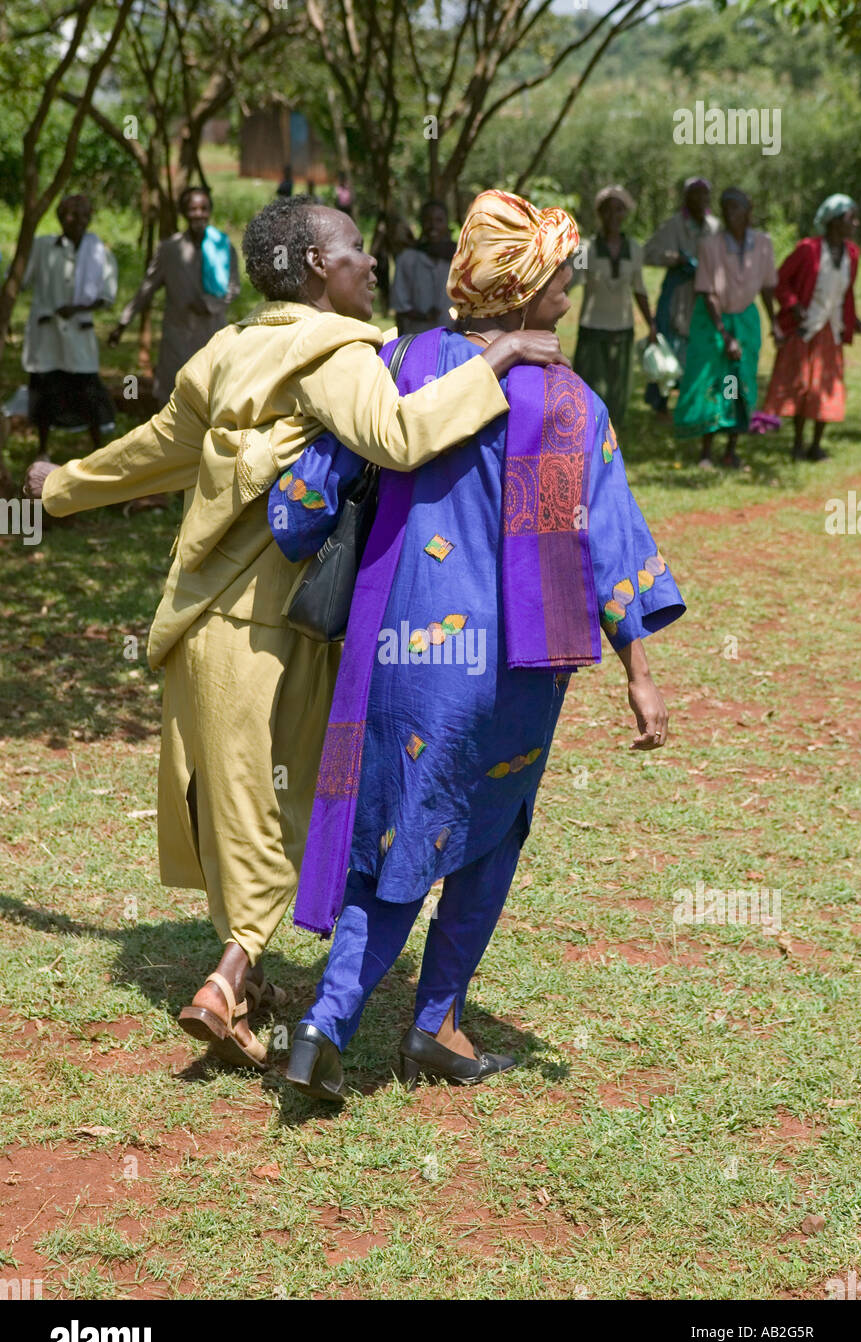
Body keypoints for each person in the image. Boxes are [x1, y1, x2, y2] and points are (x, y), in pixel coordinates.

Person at [24, 195, 565, 1071]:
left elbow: (155, 448)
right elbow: (399, 436)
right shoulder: (335, 354)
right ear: (319, 267)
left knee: (237, 805)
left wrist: (58, 485)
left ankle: (245, 983)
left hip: (199, 622)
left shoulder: (230, 350)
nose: (369, 262)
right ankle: (231, 977)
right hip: (277, 631)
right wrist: (498, 354)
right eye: (353, 249)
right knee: (293, 804)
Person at [279, 189, 685, 1102]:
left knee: (395, 841)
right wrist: (642, 676)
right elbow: (606, 546)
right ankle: (430, 1027)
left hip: (399, 651)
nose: (570, 296)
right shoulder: (566, 402)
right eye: (559, 279)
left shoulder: (400, 360)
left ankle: (322, 1029)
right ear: (520, 288)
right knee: (488, 836)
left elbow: (305, 500)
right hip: (513, 667)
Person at [674, 188, 778, 469]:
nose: (730, 213)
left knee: (739, 384)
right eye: (725, 208)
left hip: (746, 321)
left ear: (748, 210)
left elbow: (768, 287)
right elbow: (707, 291)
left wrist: (775, 322)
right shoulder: (710, 245)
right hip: (713, 321)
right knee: (713, 382)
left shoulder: (764, 244)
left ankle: (731, 449)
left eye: (736, 207)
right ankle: (706, 451)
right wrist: (724, 334)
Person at [108, 187, 240, 408]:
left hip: (213, 333)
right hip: (178, 338)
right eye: (193, 209)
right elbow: (146, 289)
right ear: (184, 213)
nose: (198, 214)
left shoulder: (223, 246)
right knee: (173, 399)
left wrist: (209, 304)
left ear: (209, 211)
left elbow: (233, 288)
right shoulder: (171, 249)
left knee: (214, 397)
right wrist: (123, 323)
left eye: (203, 208)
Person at [764, 195, 861, 460]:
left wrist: (854, 320)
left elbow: (846, 292)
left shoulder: (852, 253)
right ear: (834, 220)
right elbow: (779, 282)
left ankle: (815, 445)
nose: (856, 223)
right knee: (801, 384)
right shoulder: (808, 249)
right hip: (805, 327)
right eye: (851, 218)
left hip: (831, 329)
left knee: (826, 386)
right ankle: (797, 443)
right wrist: (793, 305)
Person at [22, 194, 117, 463]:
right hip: (47, 335)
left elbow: (106, 295)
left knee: (87, 390)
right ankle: (43, 448)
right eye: (70, 215)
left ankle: (97, 447)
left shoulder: (99, 253)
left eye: (84, 216)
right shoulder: (42, 247)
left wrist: (76, 308)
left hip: (79, 334)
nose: (77, 221)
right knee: (45, 391)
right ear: (61, 218)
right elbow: (19, 278)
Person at [572, 185, 656, 429]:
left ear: (625, 214)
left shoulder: (635, 249)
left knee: (619, 389)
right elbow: (569, 282)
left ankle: (612, 435)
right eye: (607, 210)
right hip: (593, 327)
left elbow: (639, 289)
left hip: (622, 328)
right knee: (590, 387)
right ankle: (588, 432)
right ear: (600, 214)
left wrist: (651, 323)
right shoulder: (584, 248)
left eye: (618, 210)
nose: (613, 216)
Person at [642, 177, 721, 414]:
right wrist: (675, 258)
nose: (700, 199)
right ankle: (661, 404)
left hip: (705, 293)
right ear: (686, 198)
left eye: (704, 194)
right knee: (671, 342)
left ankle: (693, 401)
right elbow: (648, 253)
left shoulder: (714, 227)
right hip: (678, 292)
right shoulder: (675, 225)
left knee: (699, 343)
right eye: (695, 194)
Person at [391, 200, 456, 334]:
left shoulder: (457, 258)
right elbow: (400, 307)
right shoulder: (408, 259)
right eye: (428, 220)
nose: (433, 226)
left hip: (452, 337)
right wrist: (424, 316)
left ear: (447, 223)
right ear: (421, 223)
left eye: (439, 220)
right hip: (415, 337)